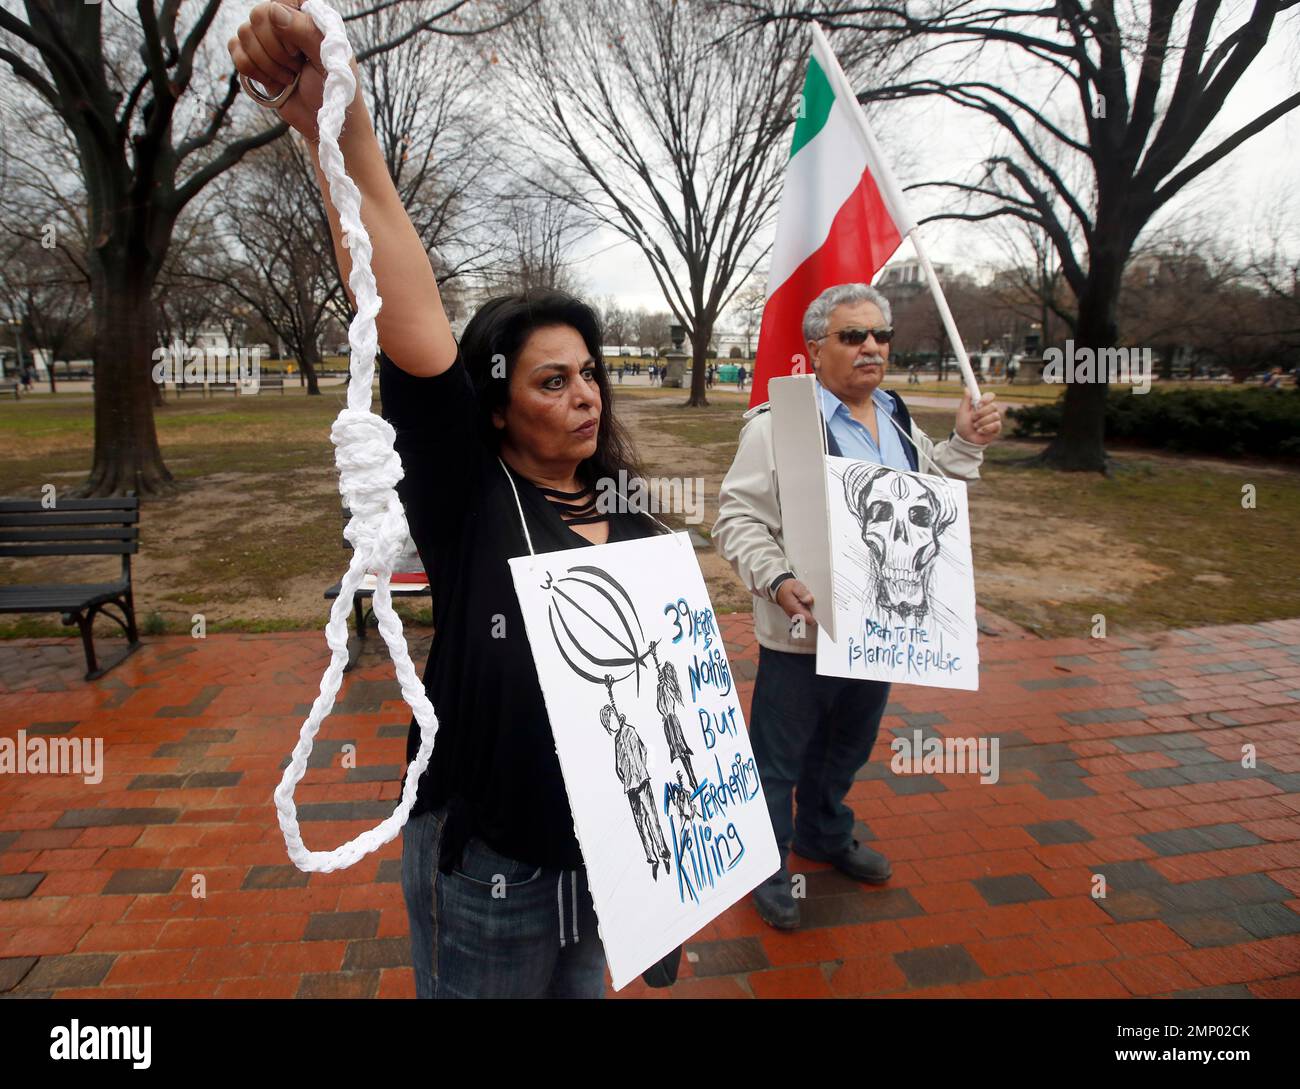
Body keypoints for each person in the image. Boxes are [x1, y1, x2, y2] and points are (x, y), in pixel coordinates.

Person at [229, 1, 670, 998]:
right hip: (490, 871)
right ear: (497, 406)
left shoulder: (632, 513)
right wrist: (339, 131)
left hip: (601, 865)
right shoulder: (472, 500)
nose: (585, 393)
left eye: (590, 372)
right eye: (551, 379)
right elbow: (409, 313)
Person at [712, 282, 1002, 930]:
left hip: (880, 633)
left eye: (880, 335)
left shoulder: (899, 420)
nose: (870, 346)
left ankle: (823, 833)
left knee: (846, 746)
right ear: (816, 349)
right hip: (802, 633)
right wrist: (777, 576)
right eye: (852, 336)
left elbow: (933, 504)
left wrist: (965, 444)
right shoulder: (778, 425)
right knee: (778, 760)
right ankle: (766, 866)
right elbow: (736, 519)